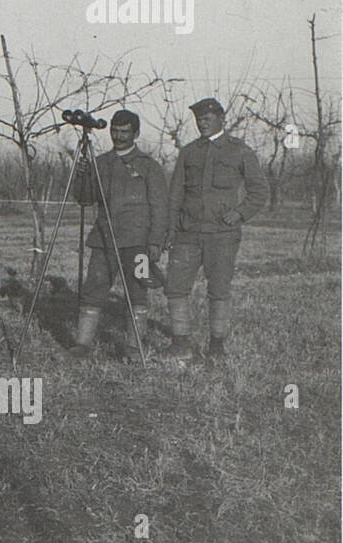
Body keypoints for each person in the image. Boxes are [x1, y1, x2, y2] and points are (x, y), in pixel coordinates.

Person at [164, 97, 269, 364]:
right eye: (199, 120)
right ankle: (180, 343)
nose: (202, 123)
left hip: (222, 235)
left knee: (219, 289)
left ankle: (216, 346)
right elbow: (175, 194)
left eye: (207, 119)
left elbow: (259, 191)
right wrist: (170, 229)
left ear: (221, 118)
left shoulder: (239, 151)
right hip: (188, 232)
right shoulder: (189, 152)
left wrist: (239, 214)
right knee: (176, 286)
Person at [70, 109, 168, 359]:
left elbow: (160, 207)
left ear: (135, 133)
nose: (119, 136)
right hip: (103, 239)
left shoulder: (149, 166)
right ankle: (82, 345)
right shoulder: (101, 162)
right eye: (115, 130)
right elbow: (84, 198)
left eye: (125, 132)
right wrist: (80, 175)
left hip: (138, 243)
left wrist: (156, 242)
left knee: (138, 290)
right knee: (94, 288)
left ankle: (135, 347)